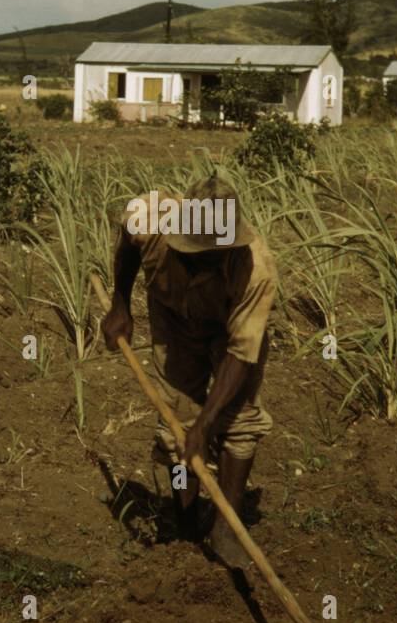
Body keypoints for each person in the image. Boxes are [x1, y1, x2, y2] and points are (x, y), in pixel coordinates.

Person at [100, 173, 277, 570]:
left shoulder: (256, 270)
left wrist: (207, 425)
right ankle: (184, 520)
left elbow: (239, 355)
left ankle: (226, 527)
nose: (201, 259)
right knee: (176, 425)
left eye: (211, 253)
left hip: (228, 327)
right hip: (174, 317)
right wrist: (120, 304)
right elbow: (128, 245)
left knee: (239, 420)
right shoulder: (149, 219)